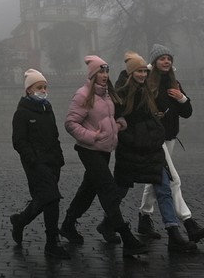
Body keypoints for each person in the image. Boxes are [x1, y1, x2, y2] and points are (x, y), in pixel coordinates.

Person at [61, 56, 148, 256]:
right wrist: (92, 136)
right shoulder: (82, 95)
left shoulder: (108, 95)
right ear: (92, 74)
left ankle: (67, 225)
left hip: (104, 150)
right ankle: (126, 236)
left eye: (106, 71)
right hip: (89, 150)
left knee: (88, 190)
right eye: (100, 72)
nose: (104, 75)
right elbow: (70, 123)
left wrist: (118, 125)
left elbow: (113, 117)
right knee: (108, 189)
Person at [113, 52, 197, 253]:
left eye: (144, 71)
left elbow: (182, 112)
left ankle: (173, 232)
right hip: (131, 149)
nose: (143, 74)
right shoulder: (123, 93)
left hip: (153, 146)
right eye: (139, 71)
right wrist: (130, 134)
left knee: (164, 185)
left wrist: (179, 100)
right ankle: (110, 222)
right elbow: (119, 118)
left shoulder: (152, 89)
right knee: (120, 190)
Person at [136, 43, 204, 242]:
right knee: (173, 179)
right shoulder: (147, 82)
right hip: (153, 138)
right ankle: (188, 222)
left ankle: (144, 218)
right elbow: (138, 108)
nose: (166, 61)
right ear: (154, 62)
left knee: (155, 178)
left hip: (169, 137)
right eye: (162, 58)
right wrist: (153, 114)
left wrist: (181, 98)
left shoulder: (174, 83)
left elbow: (187, 113)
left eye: (169, 58)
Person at [9, 69, 71, 259]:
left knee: (44, 199)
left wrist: (59, 158)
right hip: (36, 165)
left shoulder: (47, 108)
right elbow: (19, 141)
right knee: (52, 198)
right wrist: (32, 160)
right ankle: (52, 242)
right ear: (29, 90)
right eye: (39, 87)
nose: (43, 90)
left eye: (45, 87)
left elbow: (54, 135)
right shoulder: (21, 113)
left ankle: (20, 221)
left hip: (52, 162)